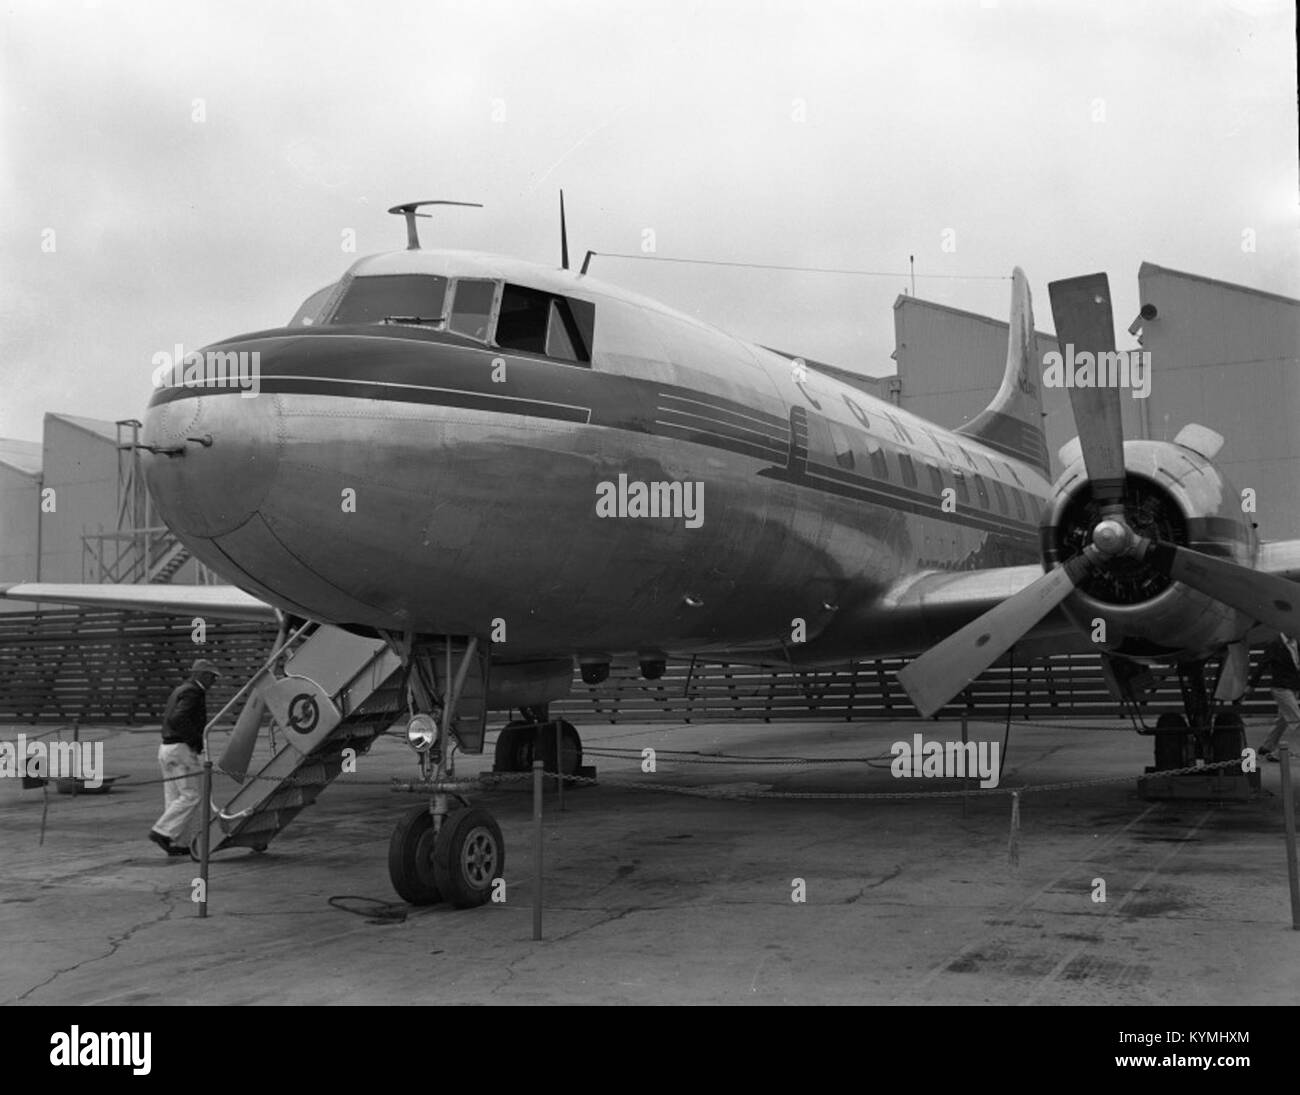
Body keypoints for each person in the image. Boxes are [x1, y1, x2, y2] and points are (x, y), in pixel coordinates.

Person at [149, 659, 221, 855]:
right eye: (212, 677)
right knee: (191, 795)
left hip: (167, 748)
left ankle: (178, 842)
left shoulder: (180, 689)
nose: (214, 681)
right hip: (181, 748)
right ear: (202, 674)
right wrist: (195, 741)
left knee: (174, 798)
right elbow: (178, 718)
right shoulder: (193, 692)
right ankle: (162, 832)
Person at [1248, 633, 1300, 763]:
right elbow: (1262, 664)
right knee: (1296, 719)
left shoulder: (1296, 642)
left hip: (1293, 687)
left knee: (1283, 720)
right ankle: (1276, 752)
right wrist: (1252, 684)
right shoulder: (1275, 644)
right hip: (1280, 687)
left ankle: (1267, 747)